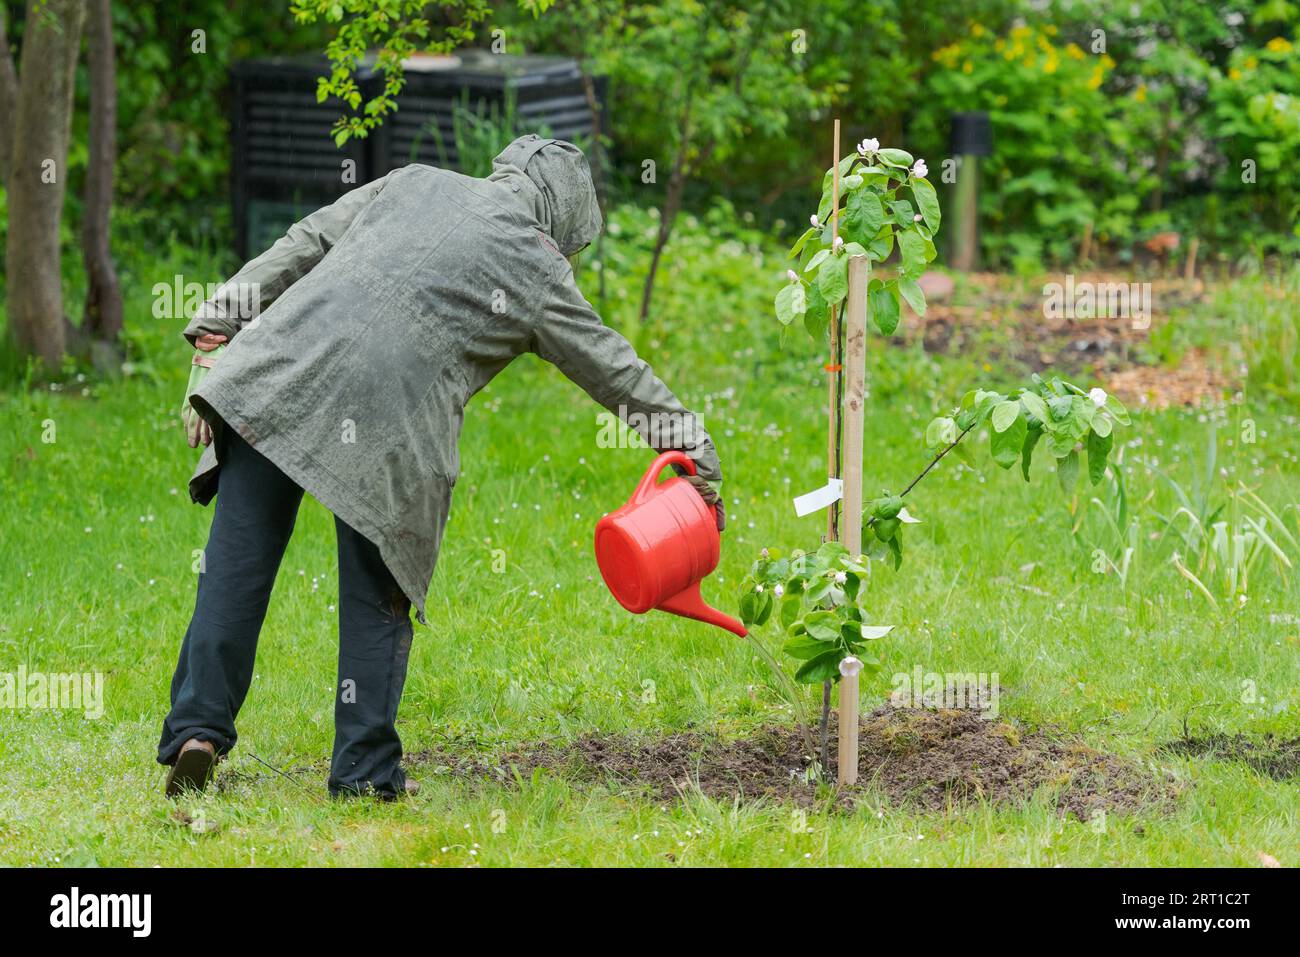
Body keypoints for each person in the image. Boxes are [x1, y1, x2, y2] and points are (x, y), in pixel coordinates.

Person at [159, 135, 724, 799]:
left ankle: (197, 733)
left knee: (236, 564)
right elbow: (615, 371)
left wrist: (217, 324)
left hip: (279, 368)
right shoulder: (537, 267)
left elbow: (308, 238)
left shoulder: (411, 181)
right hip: (388, 423)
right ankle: (364, 773)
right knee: (379, 591)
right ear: (565, 222)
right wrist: (699, 459)